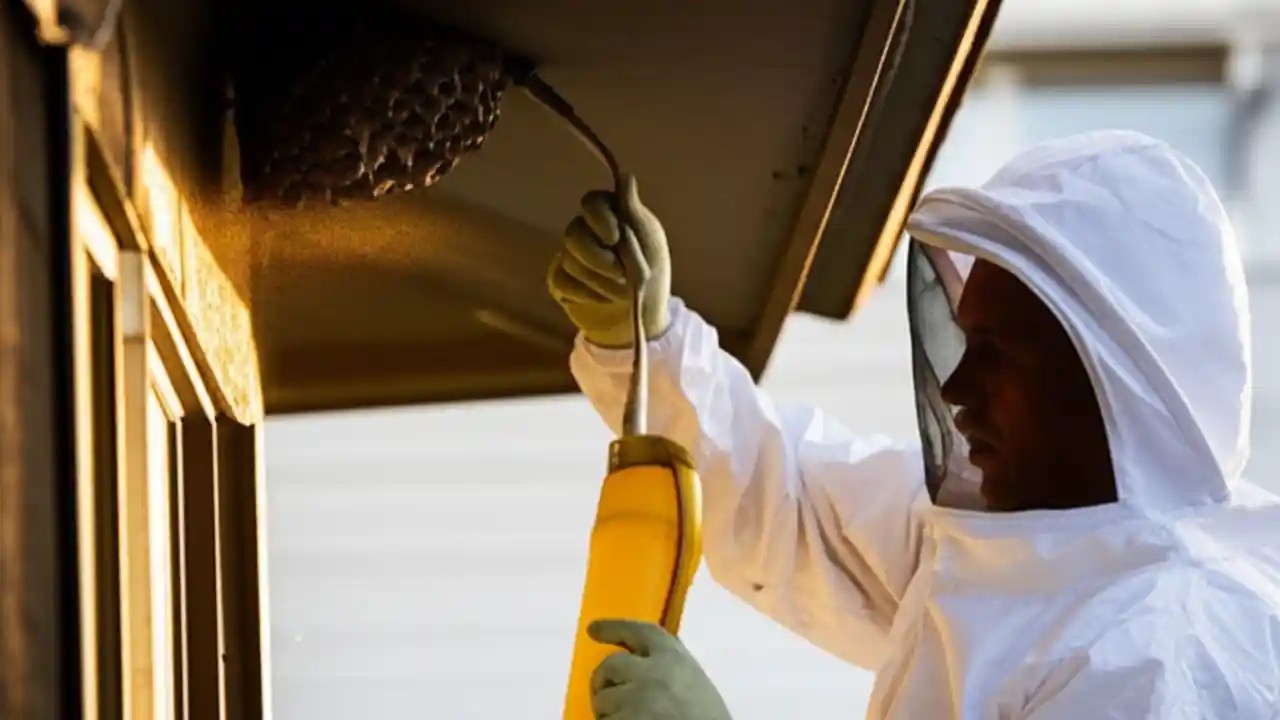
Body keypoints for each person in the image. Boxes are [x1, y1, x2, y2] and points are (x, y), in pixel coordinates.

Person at [546, 130, 1280, 718]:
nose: (957, 389)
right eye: (961, 345)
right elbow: (796, 504)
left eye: (995, 354)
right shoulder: (1005, 541)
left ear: (1108, 378)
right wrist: (645, 337)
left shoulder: (1162, 656)